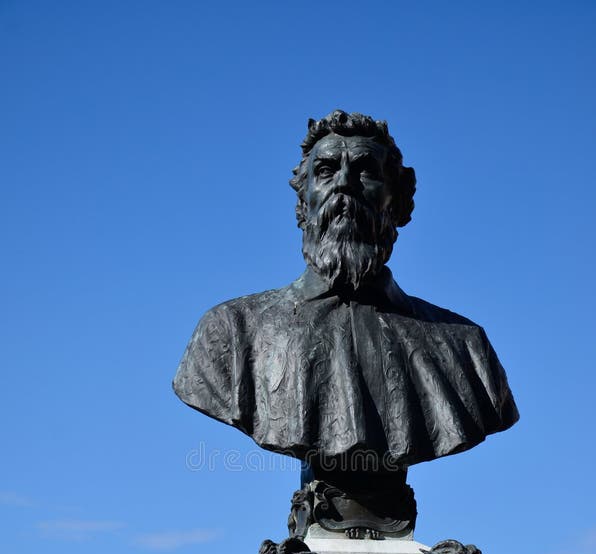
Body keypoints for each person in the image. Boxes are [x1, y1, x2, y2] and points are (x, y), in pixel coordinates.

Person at [173, 110, 518, 475]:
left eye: (365, 170)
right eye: (325, 171)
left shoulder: (464, 345)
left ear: (399, 201)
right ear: (303, 204)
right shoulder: (231, 330)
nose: (344, 184)